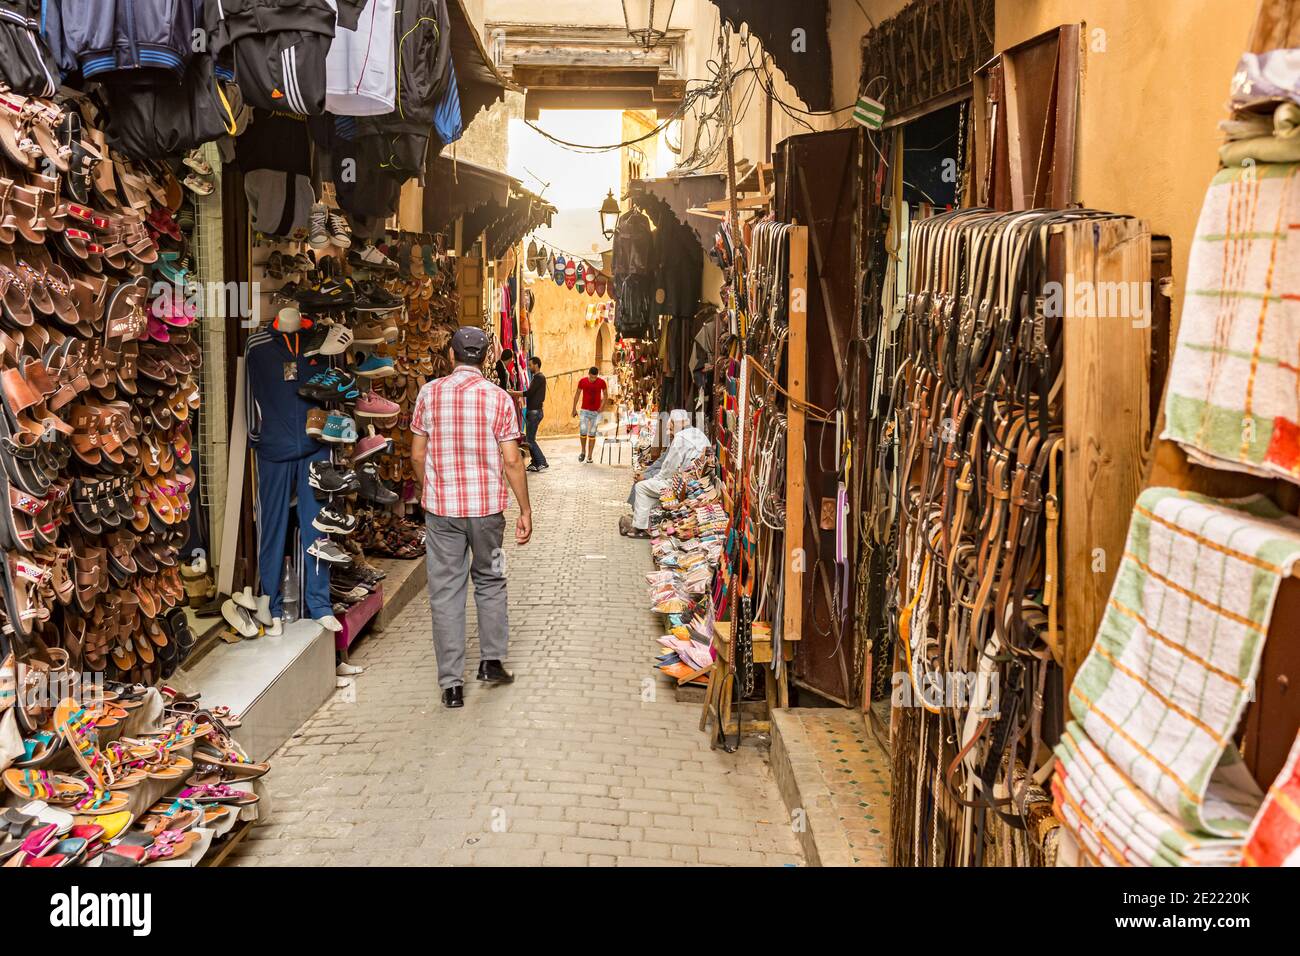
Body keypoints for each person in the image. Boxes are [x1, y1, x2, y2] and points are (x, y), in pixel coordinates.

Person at [410, 327, 533, 709]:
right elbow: (512, 459)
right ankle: (491, 663)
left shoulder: (429, 394)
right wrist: (525, 509)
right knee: (491, 580)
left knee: (446, 593)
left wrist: (429, 490)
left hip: (442, 513)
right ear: (486, 357)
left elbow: (417, 455)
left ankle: (451, 685)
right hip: (487, 515)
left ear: (451, 355)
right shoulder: (499, 399)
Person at [620, 409, 709, 538]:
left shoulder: (680, 438)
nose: (671, 434)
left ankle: (640, 527)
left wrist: (652, 479)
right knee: (649, 487)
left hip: (683, 485)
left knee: (641, 487)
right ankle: (648, 524)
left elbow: (669, 469)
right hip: (700, 482)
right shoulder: (698, 433)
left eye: (671, 429)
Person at [510, 355, 548, 473]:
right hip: (534, 411)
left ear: (536, 365)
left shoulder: (539, 378)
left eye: (530, 365)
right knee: (529, 438)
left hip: (535, 412)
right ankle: (535, 463)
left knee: (530, 440)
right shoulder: (537, 378)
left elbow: (529, 393)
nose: (529, 367)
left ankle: (541, 461)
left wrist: (513, 393)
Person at [571, 366, 607, 463]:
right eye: (591, 377)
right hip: (584, 411)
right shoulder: (582, 381)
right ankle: (583, 451)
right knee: (583, 431)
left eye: (595, 377)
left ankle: (590, 456)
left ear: (597, 376)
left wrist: (602, 407)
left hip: (596, 412)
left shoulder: (602, 382)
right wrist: (574, 408)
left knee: (592, 434)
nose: (593, 379)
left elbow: (605, 395)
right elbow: (577, 394)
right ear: (589, 375)